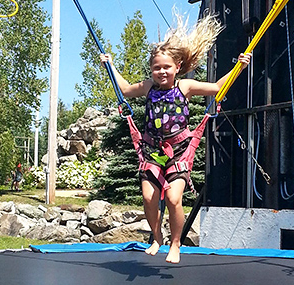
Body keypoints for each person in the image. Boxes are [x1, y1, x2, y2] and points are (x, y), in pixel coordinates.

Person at [101, 15, 250, 264]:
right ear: (151, 70)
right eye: (156, 68)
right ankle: (157, 237)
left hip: (179, 150)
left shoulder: (185, 87)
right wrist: (111, 66)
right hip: (152, 150)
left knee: (173, 198)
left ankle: (176, 242)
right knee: (148, 197)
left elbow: (216, 87)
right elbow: (125, 90)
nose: (161, 72)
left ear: (177, 67)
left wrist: (239, 68)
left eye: (166, 67)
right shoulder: (148, 87)